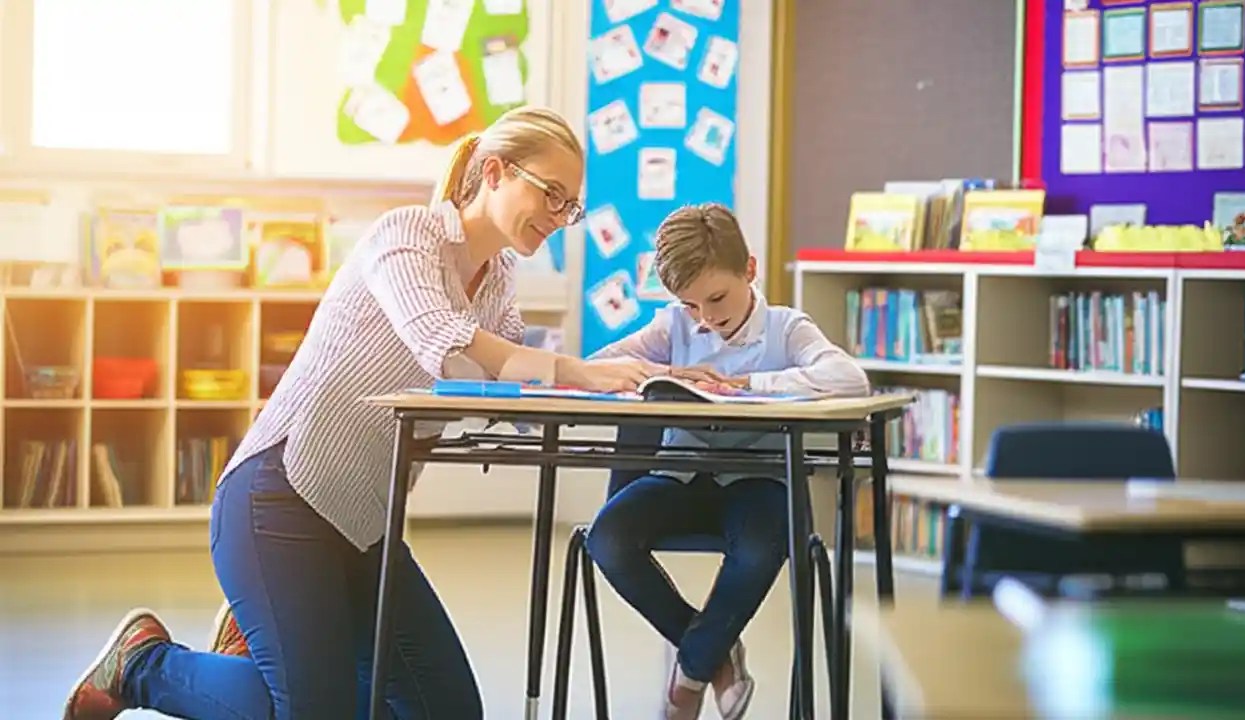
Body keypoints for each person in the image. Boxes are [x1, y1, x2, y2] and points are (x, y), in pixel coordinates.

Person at [62, 106, 661, 720]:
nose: (560, 219)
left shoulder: (499, 279)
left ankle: (262, 655)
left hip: (364, 526)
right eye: (551, 196)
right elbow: (441, 337)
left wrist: (649, 364)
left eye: (570, 206)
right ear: (495, 172)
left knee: (449, 712)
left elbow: (513, 393)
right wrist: (576, 371)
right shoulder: (407, 235)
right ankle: (142, 664)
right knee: (316, 713)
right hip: (280, 497)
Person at [583, 203, 870, 720]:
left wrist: (748, 384)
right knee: (607, 538)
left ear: (750, 271)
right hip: (678, 477)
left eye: (716, 298)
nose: (706, 318)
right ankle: (716, 655)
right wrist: (668, 368)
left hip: (758, 483)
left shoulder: (787, 328)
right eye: (690, 305)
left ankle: (691, 669)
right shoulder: (672, 326)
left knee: (763, 548)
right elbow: (592, 369)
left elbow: (850, 380)